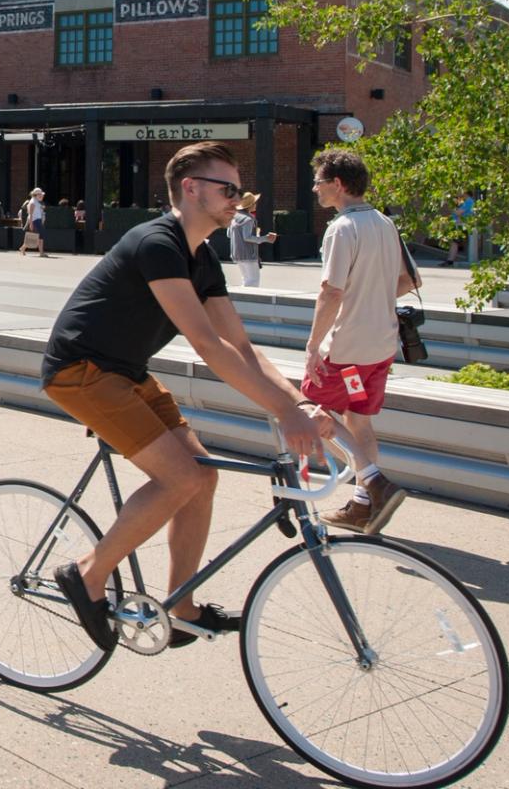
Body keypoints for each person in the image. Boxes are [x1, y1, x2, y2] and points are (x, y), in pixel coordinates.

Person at [39, 141, 333, 653]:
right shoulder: (157, 242)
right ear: (191, 188)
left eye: (239, 190)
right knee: (182, 477)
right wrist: (285, 411)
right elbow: (206, 343)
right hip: (80, 371)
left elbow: (240, 344)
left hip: (126, 372)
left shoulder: (201, 258)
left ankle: (180, 606)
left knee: (205, 476)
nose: (238, 199)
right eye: (229, 189)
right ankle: (87, 573)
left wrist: (298, 402)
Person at [304, 150, 418, 534]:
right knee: (358, 421)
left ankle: (374, 481)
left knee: (310, 410)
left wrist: (312, 346)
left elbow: (331, 292)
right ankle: (362, 505)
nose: (314, 188)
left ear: (338, 184)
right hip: (381, 345)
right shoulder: (386, 223)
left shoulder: (341, 228)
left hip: (346, 345)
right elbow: (409, 281)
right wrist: (374, 298)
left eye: (319, 181)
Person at [227, 192, 277, 286]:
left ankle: (242, 299)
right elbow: (247, 237)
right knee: (253, 281)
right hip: (249, 254)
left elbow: (229, 234)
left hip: (236, 254)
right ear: (250, 205)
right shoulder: (249, 219)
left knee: (245, 279)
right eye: (255, 203)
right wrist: (265, 238)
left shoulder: (234, 217)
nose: (256, 205)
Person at [20, 187, 49, 256]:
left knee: (37, 236)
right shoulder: (33, 202)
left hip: (37, 220)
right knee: (39, 236)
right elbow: (30, 214)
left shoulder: (36, 201)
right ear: (36, 195)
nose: (42, 196)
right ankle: (41, 253)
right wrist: (31, 224)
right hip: (35, 221)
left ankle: (23, 248)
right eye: (40, 195)